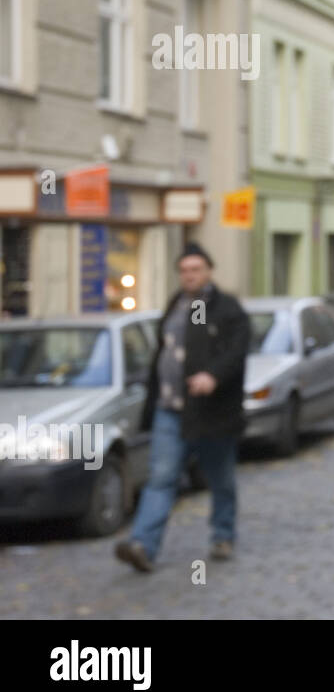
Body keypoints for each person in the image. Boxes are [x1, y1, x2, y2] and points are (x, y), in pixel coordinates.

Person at [114, 242, 250, 572]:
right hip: (170, 409)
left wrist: (213, 376)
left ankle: (222, 534)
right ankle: (142, 545)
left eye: (195, 269)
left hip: (211, 411)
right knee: (161, 478)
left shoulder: (226, 308)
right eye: (184, 270)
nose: (189, 275)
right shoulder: (176, 304)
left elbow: (237, 350)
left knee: (220, 478)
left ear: (208, 271)